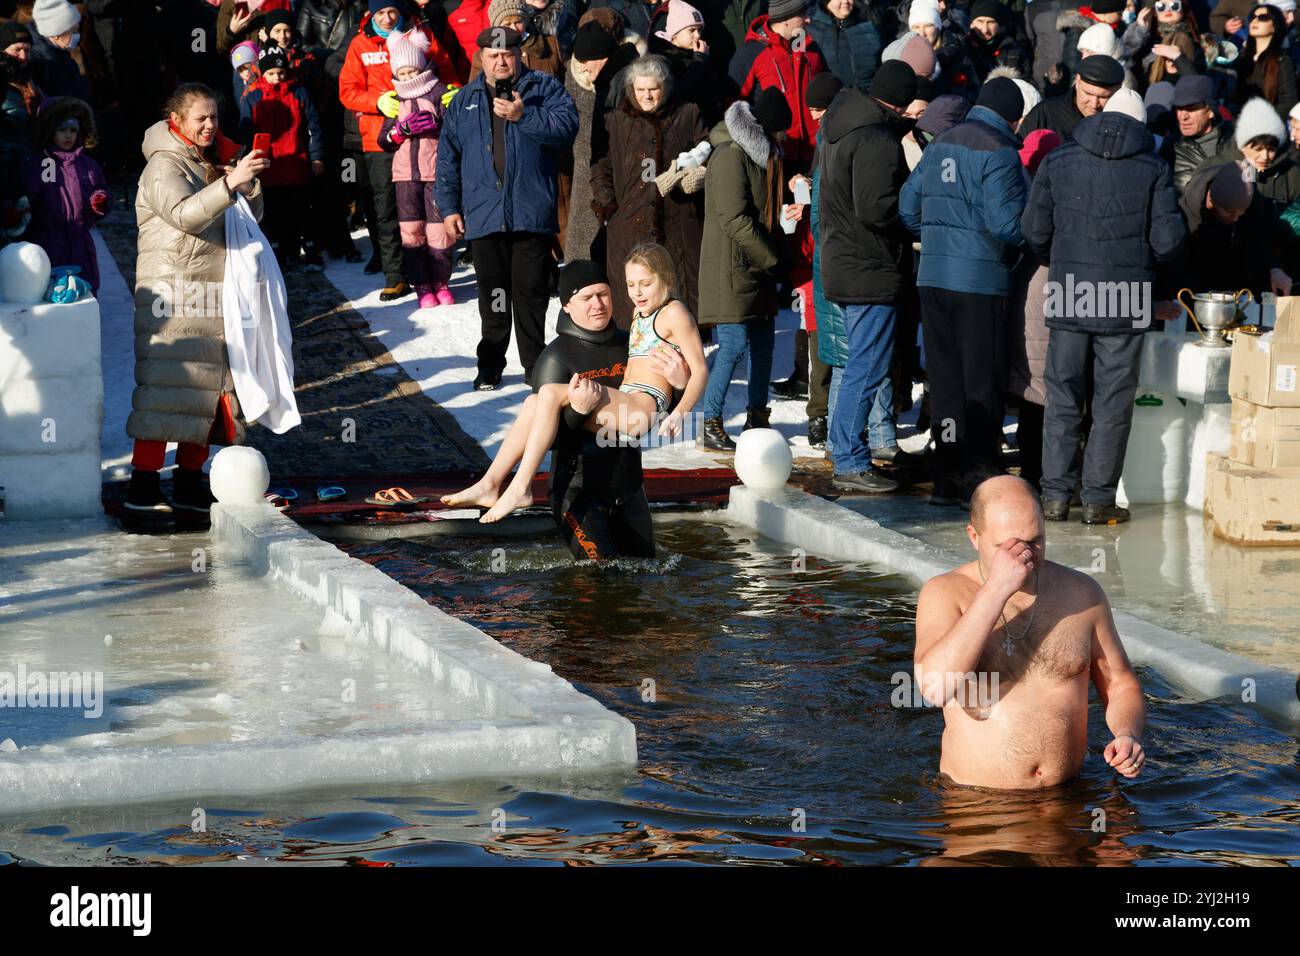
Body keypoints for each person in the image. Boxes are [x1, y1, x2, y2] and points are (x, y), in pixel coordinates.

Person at [442, 243, 708, 523]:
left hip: (640, 409)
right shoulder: (639, 314)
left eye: (645, 283)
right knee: (534, 402)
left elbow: (700, 369)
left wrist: (681, 410)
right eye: (630, 285)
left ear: (664, 278)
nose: (637, 293)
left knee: (548, 393)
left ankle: (521, 487)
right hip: (625, 409)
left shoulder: (674, 312)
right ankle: (491, 484)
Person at [914, 475, 1147, 789]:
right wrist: (996, 590)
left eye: (1035, 540)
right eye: (1006, 546)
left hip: (1070, 795)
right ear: (974, 536)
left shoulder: (1081, 594)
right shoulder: (944, 593)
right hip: (976, 804)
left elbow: (1120, 683)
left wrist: (1126, 734)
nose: (1024, 555)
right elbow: (934, 688)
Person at [1021, 91, 1187, 525]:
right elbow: (1168, 244)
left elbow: (1034, 232)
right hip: (1127, 295)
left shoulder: (1059, 161)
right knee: (1112, 403)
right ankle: (1097, 501)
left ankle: (1055, 498)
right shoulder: (1154, 167)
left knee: (1062, 399)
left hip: (1071, 290)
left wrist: (1061, 257)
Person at [125, 83, 269, 513]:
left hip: (212, 289)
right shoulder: (163, 165)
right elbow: (184, 214)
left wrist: (246, 180)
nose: (210, 126)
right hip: (173, 294)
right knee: (167, 390)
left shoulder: (209, 159)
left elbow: (250, 218)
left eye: (215, 118)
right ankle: (143, 488)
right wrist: (229, 184)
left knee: (209, 393)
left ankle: (189, 483)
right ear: (177, 120)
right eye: (200, 119)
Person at [484, 259, 689, 559]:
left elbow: (655, 409)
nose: (598, 304)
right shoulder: (554, 359)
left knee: (646, 572)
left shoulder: (632, 342)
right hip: (577, 493)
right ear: (567, 305)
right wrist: (578, 412)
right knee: (601, 576)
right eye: (586, 297)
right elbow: (545, 437)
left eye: (603, 294)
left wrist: (680, 384)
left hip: (628, 488)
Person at [901, 77, 1028, 507]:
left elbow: (906, 206)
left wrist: (934, 239)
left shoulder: (938, 144)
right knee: (981, 383)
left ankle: (945, 475)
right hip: (979, 284)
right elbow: (1006, 225)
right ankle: (978, 475)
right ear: (1015, 117)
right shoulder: (1001, 151)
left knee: (946, 383)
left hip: (933, 280)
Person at [437, 25, 578, 390]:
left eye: (508, 54)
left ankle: (536, 366)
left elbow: (567, 129)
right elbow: (447, 160)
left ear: (519, 56)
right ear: (481, 59)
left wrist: (524, 116)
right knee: (493, 296)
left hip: (532, 212)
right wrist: (449, 207)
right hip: (485, 214)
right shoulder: (462, 102)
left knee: (530, 294)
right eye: (493, 55)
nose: (501, 61)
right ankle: (490, 364)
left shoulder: (543, 89)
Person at [817, 61, 916, 494]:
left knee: (858, 362)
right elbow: (877, 208)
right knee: (867, 365)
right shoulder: (876, 137)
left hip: (845, 260)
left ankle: (847, 454)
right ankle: (851, 460)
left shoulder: (843, 125)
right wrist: (916, 221)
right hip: (869, 266)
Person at [339, 0, 460, 301]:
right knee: (388, 208)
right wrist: (376, 102)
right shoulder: (360, 44)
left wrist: (453, 93)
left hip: (427, 139)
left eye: (392, 11)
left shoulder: (422, 35)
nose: (388, 17)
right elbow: (348, 89)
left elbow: (447, 71)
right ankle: (395, 275)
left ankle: (435, 271)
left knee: (429, 208)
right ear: (372, 14)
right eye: (381, 12)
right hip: (380, 136)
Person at [696, 87, 790, 451]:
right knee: (733, 345)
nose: (783, 139)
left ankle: (757, 416)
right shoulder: (730, 156)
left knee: (764, 345)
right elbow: (734, 219)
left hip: (756, 266)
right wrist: (773, 258)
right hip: (731, 267)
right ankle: (711, 421)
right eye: (779, 132)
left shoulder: (763, 155)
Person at [591, 54, 707, 328]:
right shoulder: (616, 121)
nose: (647, 95)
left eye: (653, 89)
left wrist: (692, 172)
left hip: (677, 217)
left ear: (664, 87)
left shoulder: (687, 113)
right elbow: (601, 167)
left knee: (676, 288)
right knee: (634, 292)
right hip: (629, 220)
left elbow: (706, 148)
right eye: (640, 89)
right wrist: (608, 207)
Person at [379, 28, 455, 309]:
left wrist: (438, 125)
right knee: (411, 232)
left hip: (436, 173)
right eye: (404, 73)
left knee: (439, 232)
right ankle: (421, 283)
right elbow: (384, 139)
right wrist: (399, 131)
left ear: (422, 66)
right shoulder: (394, 100)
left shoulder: (437, 91)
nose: (409, 77)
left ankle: (441, 281)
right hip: (405, 176)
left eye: (413, 71)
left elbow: (453, 129)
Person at [238, 46, 323, 270]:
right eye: (271, 73)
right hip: (269, 168)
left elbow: (313, 127)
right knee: (274, 214)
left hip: (298, 163)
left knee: (303, 212)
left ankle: (311, 252)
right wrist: (250, 163)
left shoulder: (299, 93)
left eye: (281, 72)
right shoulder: (253, 97)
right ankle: (278, 253)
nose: (277, 77)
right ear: (263, 74)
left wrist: (316, 157)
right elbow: (247, 133)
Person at [19, 95, 109, 292]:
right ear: (50, 131)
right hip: (48, 242)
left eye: (73, 130)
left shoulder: (87, 165)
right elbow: (31, 195)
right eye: (62, 130)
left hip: (81, 244)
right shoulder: (44, 163)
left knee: (84, 293)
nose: (68, 136)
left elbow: (100, 190)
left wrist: (100, 202)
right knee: (51, 292)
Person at [729, 0, 827, 173]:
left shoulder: (811, 48)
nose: (808, 20)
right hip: (775, 157)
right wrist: (758, 147)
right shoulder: (750, 53)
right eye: (802, 15)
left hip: (815, 154)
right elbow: (733, 107)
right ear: (785, 19)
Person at [1179, 160, 1294, 296]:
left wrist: (1275, 270)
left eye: (1241, 212)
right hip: (1196, 297)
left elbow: (1258, 243)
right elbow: (1180, 265)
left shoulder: (1253, 201)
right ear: (1211, 201)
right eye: (1230, 212)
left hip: (1239, 295)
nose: (1235, 218)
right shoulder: (1185, 213)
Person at [1020, 52, 1125, 140]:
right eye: (1088, 93)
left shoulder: (1126, 123)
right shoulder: (1046, 113)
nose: (1094, 104)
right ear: (1077, 82)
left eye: (1103, 97)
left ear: (1118, 90)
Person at [1120, 0, 1206, 92]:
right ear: (1154, 11)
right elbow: (1124, 57)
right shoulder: (1147, 39)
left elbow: (1199, 79)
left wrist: (1178, 57)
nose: (1168, 10)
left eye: (1174, 5)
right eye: (1161, 6)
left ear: (1183, 9)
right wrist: (1141, 30)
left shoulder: (1194, 40)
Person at [1171, 73, 1234, 191]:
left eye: (1191, 108)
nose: (1183, 116)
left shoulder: (1236, 140)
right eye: (1179, 108)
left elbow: (1251, 181)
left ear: (1211, 111)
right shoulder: (1171, 147)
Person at [806, 0, 883, 93]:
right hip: (832, 101)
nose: (845, 1)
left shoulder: (868, 27)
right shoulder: (811, 32)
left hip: (867, 100)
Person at [1236, 3, 1297, 117]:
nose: (1255, 21)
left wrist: (1264, 121)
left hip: (1270, 126)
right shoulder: (1243, 59)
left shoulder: (1282, 61)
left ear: (1275, 26)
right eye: (1252, 17)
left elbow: (1288, 102)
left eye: (1263, 17)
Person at [28, 0, 90, 100]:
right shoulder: (43, 61)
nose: (77, 35)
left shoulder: (60, 51)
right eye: (73, 31)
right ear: (57, 34)